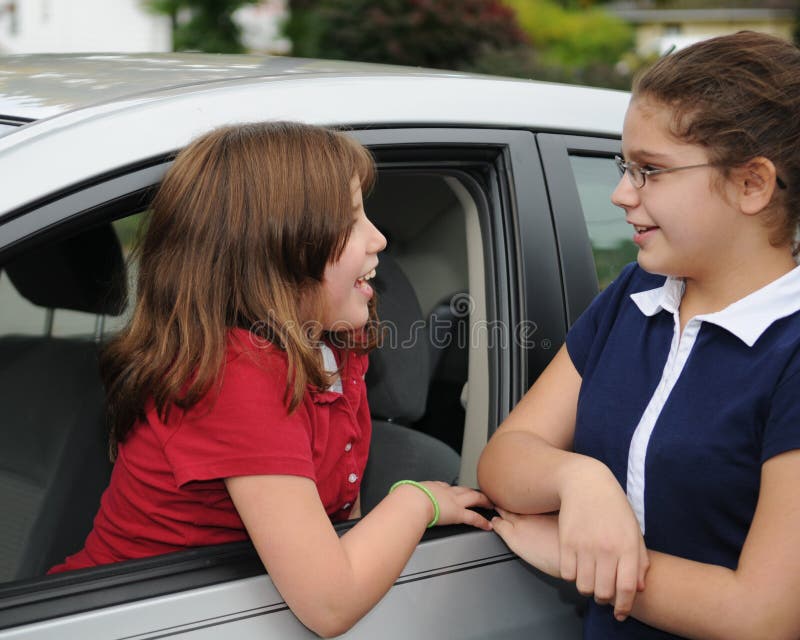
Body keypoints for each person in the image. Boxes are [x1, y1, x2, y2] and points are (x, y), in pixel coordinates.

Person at [49, 122, 492, 637]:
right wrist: (418, 502)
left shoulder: (335, 344)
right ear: (278, 251)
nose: (379, 238)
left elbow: (341, 525)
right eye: (352, 221)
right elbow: (330, 605)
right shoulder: (235, 377)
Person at [477, 31, 800, 640]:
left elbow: (765, 616)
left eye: (650, 171)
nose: (622, 193)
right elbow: (506, 457)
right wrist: (580, 479)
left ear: (752, 185)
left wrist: (586, 562)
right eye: (626, 168)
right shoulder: (634, 295)